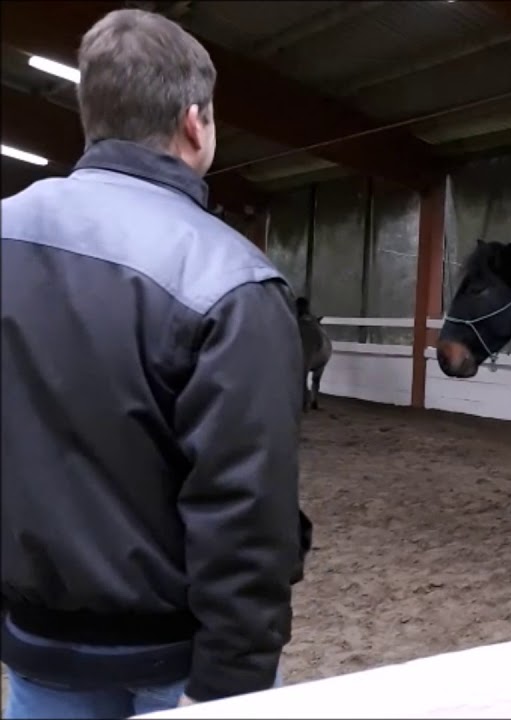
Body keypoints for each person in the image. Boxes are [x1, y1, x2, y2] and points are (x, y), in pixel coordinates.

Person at [1, 7, 311, 718]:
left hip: (39, 645)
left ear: (92, 117)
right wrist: (230, 688)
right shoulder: (230, 278)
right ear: (194, 121)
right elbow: (246, 511)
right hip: (178, 663)